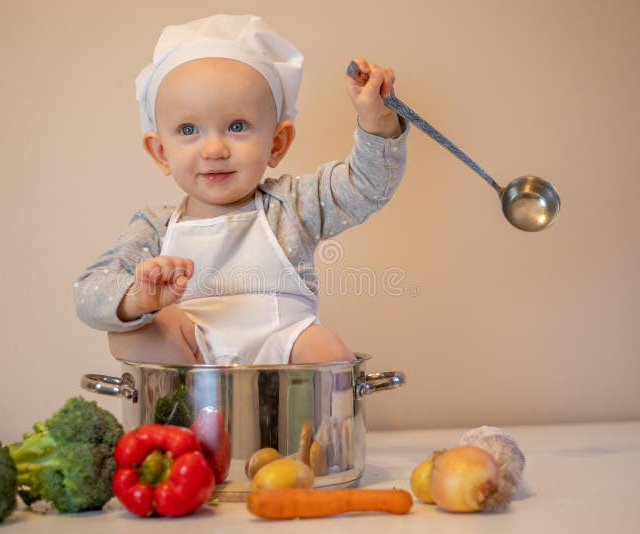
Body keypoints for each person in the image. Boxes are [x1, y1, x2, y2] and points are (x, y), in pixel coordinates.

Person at [74, 14, 408, 365]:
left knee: (325, 349)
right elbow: (89, 291)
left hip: (282, 352)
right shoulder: (155, 228)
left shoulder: (293, 206)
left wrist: (378, 123)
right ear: (161, 152)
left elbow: (365, 187)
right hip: (193, 359)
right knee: (130, 334)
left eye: (237, 126)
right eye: (189, 130)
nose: (214, 149)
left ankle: (310, 419)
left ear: (277, 143)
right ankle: (194, 414)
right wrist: (137, 299)